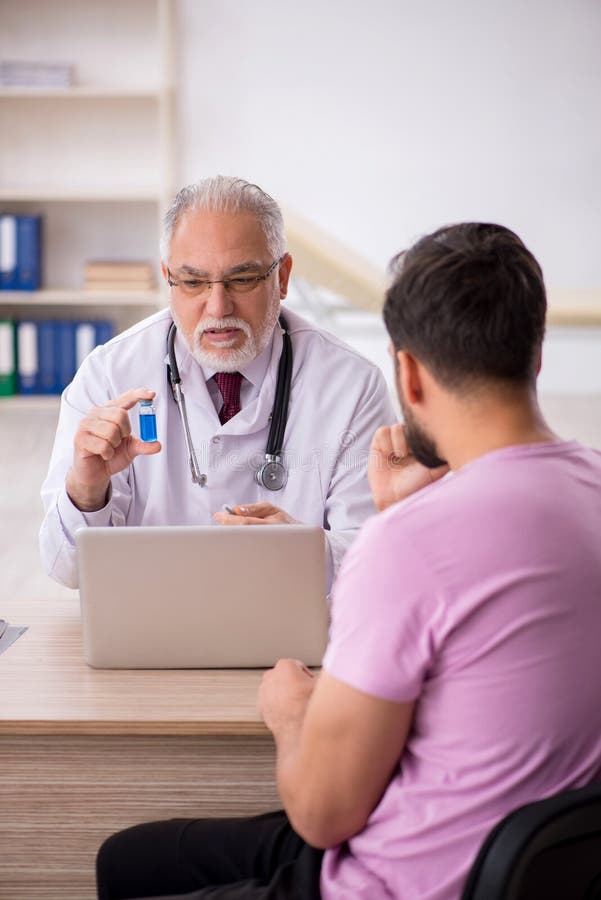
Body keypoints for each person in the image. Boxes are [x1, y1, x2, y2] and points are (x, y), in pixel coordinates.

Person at [96, 222, 601, 900]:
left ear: (409, 373)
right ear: (535, 355)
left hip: (399, 880)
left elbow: (322, 814)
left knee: (124, 869)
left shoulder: (414, 544)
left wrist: (290, 711)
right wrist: (395, 521)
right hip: (533, 862)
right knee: (131, 859)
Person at [39, 176, 394, 590]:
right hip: (150, 640)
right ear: (168, 278)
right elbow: (67, 570)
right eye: (193, 282)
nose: (218, 306)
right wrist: (86, 491)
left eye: (242, 279)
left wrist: (306, 552)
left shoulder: (352, 386)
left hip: (291, 641)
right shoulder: (109, 373)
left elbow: (376, 562)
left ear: (282, 277)